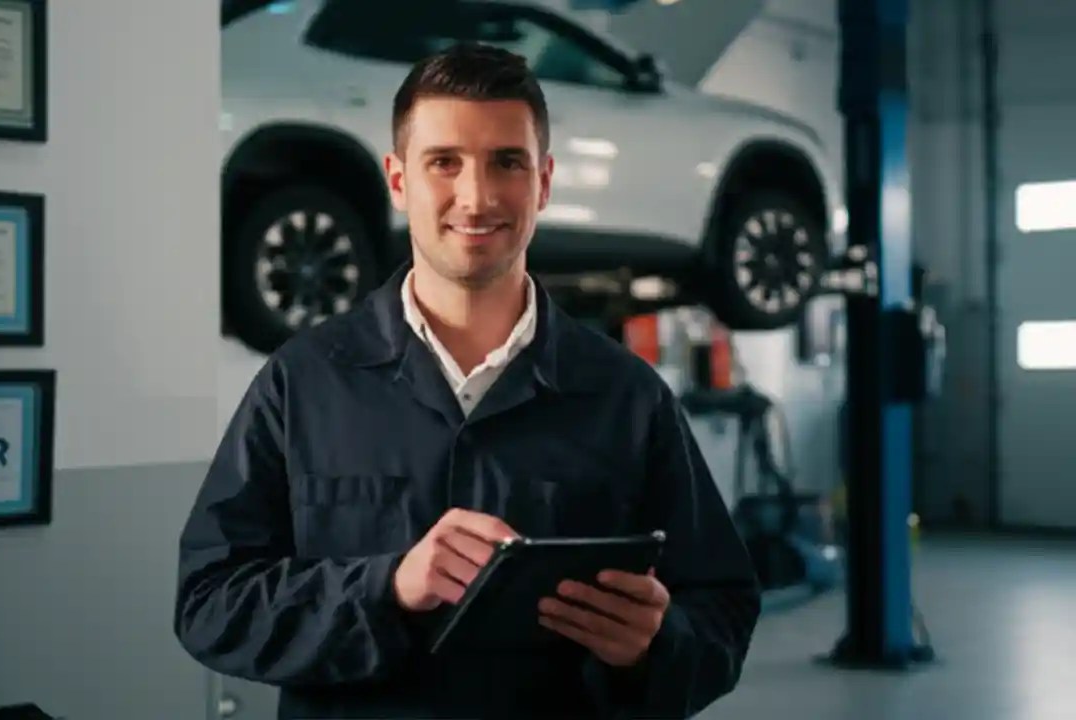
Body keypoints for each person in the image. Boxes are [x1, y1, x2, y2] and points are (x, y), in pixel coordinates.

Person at [175, 42, 761, 720]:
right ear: (398, 179)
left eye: (506, 162)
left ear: (543, 181)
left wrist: (656, 646)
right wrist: (386, 587)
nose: (476, 197)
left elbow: (721, 611)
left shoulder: (628, 398)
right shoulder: (302, 383)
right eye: (443, 162)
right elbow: (210, 603)